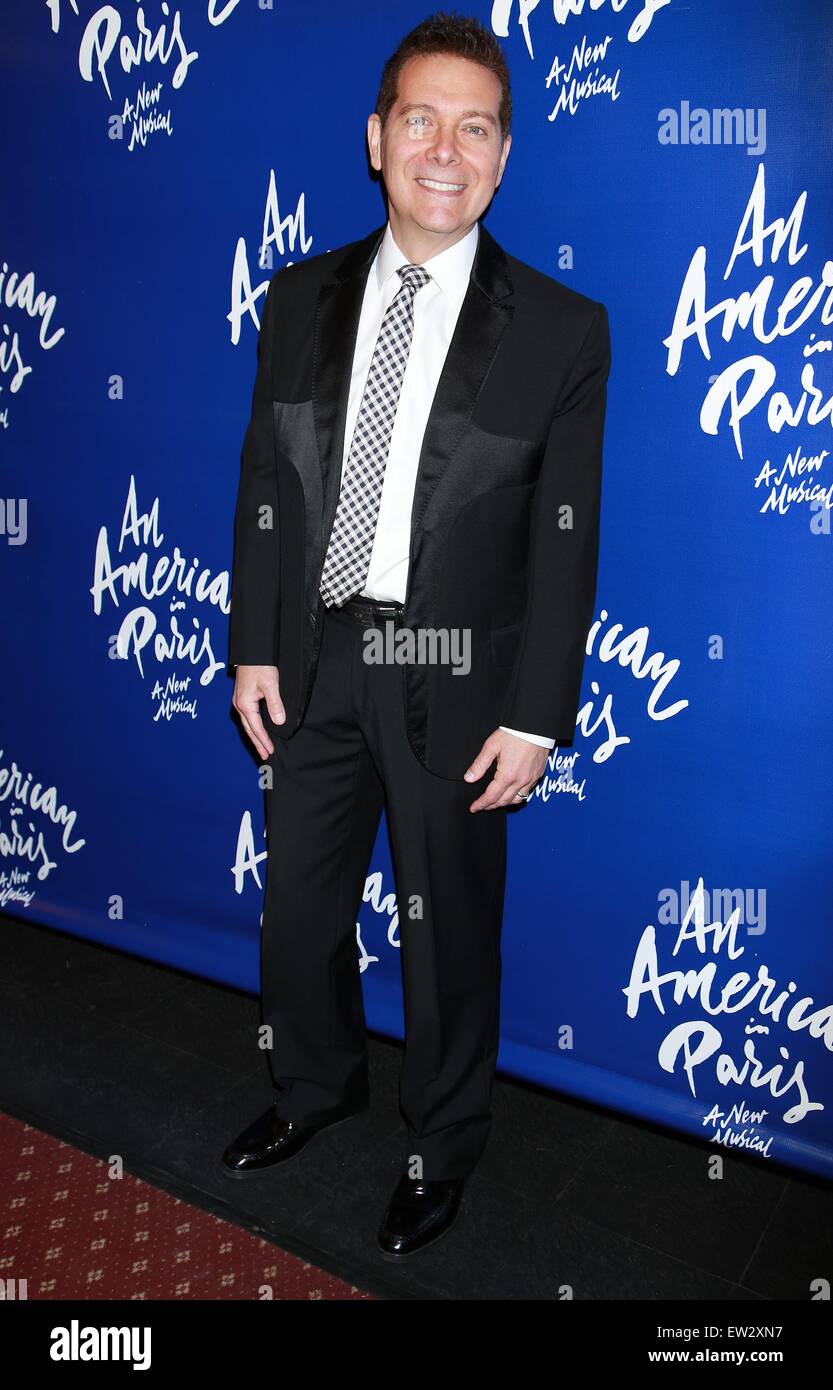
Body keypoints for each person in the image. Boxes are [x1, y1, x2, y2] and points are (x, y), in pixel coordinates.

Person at [221, 11, 611, 1262]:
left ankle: (438, 1147)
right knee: (296, 915)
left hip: (453, 676)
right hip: (319, 651)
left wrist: (539, 711)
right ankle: (313, 1087)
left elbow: (564, 537)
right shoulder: (299, 294)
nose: (445, 147)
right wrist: (256, 640)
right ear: (377, 138)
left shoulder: (560, 329)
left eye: (475, 126)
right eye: (421, 119)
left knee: (445, 937)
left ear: (500, 159)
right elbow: (265, 487)